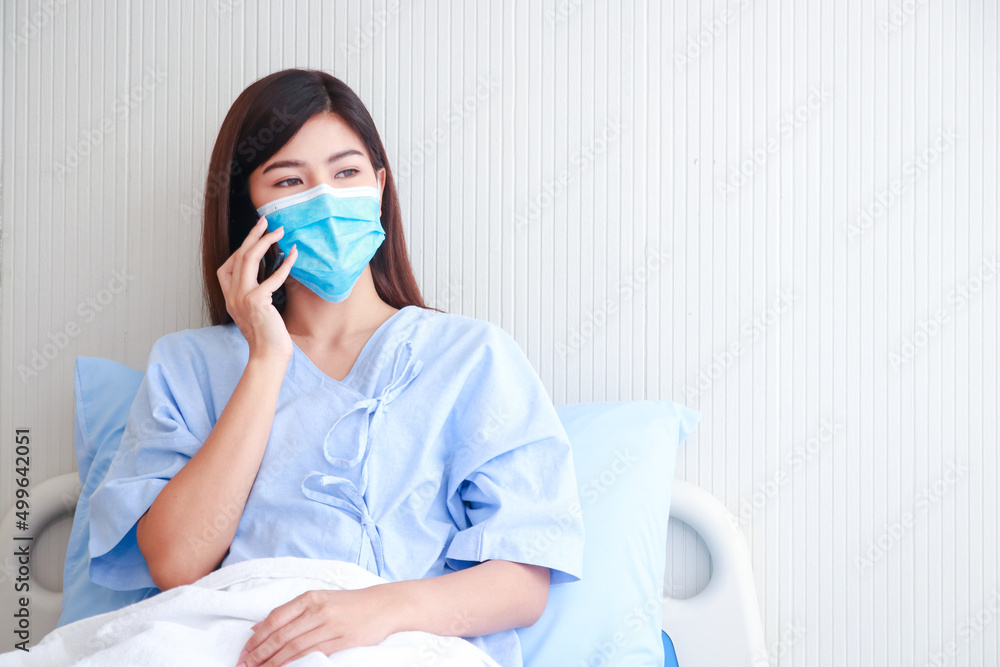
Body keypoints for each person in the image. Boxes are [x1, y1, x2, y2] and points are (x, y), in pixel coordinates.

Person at [87, 68, 585, 667]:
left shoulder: (473, 356)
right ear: (251, 209)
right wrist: (266, 360)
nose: (325, 198)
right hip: (231, 637)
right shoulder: (189, 364)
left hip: (402, 642)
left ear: (379, 186)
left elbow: (522, 580)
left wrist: (376, 611)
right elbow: (177, 562)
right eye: (290, 180)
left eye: (346, 173)